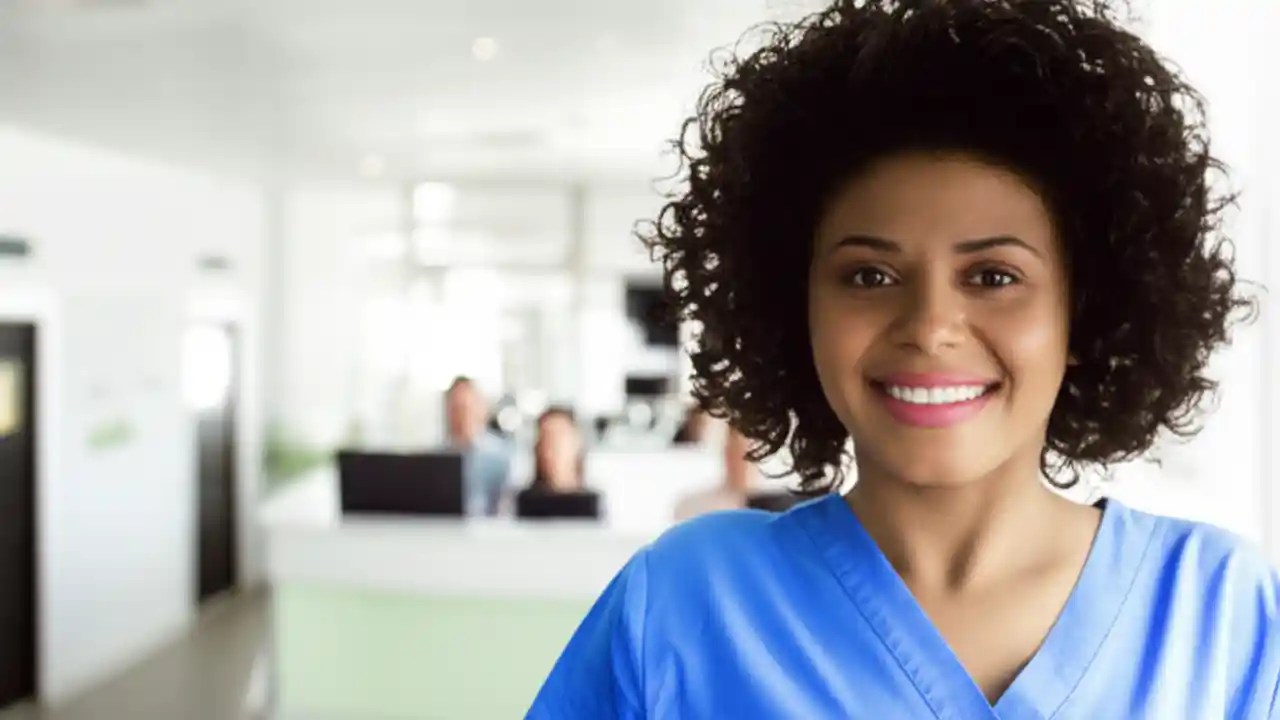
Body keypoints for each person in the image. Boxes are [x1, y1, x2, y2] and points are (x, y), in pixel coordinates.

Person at [528, 1, 1277, 718]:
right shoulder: (683, 603)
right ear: (798, 308)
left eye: (993, 277)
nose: (929, 327)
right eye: (869, 276)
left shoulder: (1223, 614)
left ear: (1085, 314)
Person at [443, 376, 511, 517]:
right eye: (457, 409)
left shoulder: (505, 455)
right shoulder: (438, 458)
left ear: (482, 409)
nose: (462, 417)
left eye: (467, 408)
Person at [673, 426, 756, 521]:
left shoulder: (772, 509)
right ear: (726, 453)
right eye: (735, 452)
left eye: (749, 457)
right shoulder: (693, 507)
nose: (741, 463)